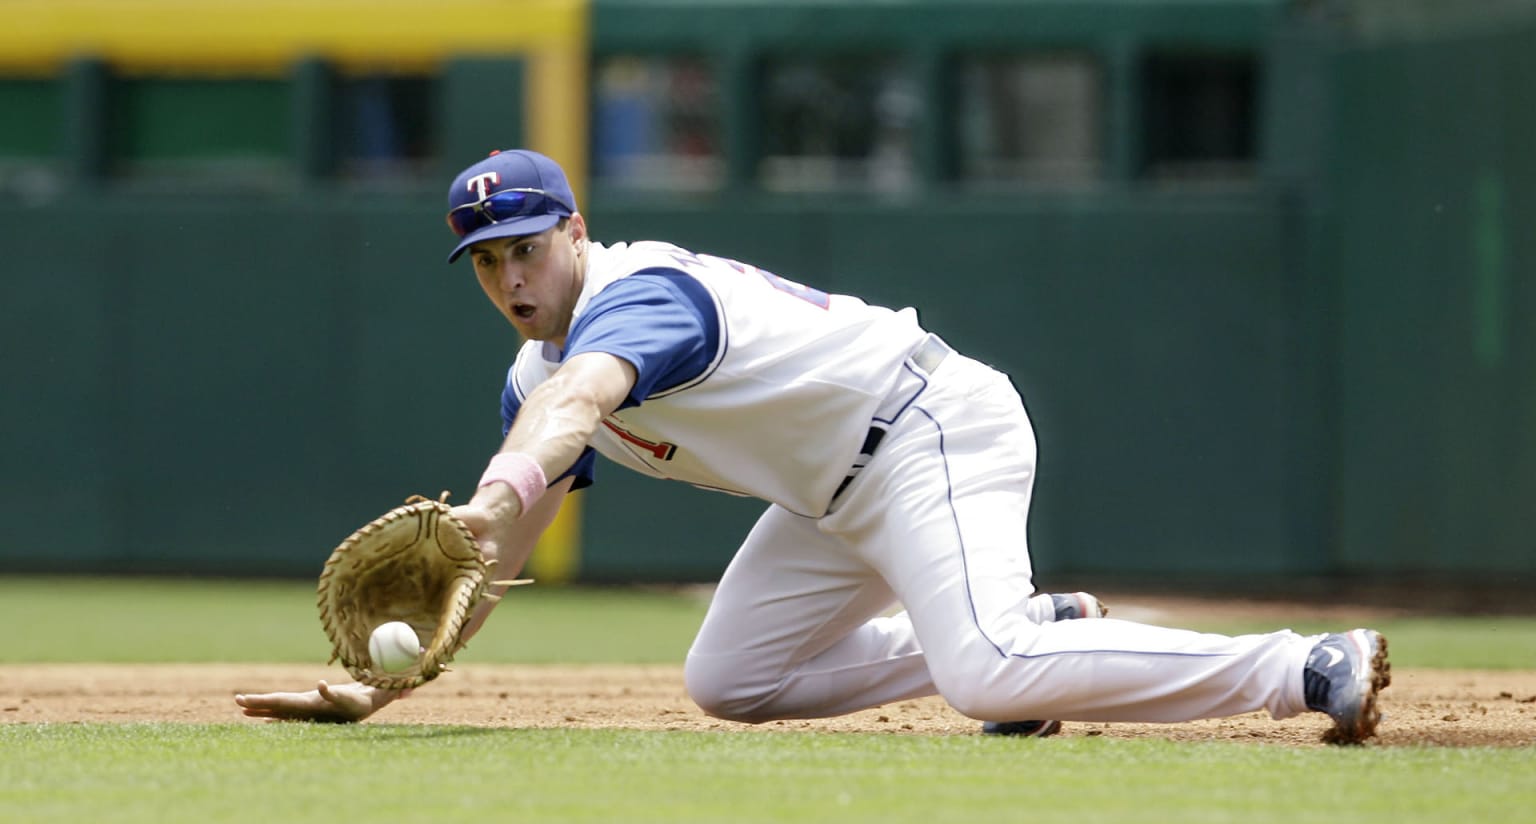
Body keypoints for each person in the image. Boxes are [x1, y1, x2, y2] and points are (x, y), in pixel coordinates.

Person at [237, 149, 1391, 743]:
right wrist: (384, 687)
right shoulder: (527, 374)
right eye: (486, 260)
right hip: (830, 499)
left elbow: (582, 401)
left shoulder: (642, 298)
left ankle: (1302, 666)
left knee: (980, 674)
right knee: (730, 681)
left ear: (576, 231)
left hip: (930, 431)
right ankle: (1042, 633)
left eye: (527, 246)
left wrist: (496, 489)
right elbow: (493, 558)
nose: (511, 276)